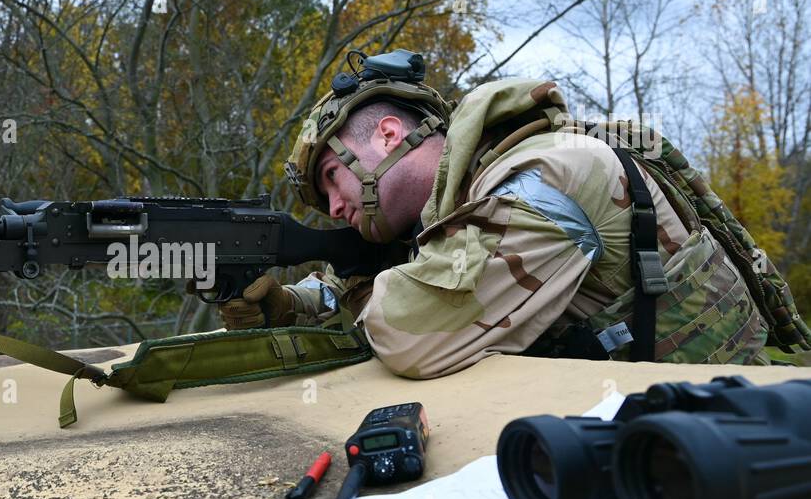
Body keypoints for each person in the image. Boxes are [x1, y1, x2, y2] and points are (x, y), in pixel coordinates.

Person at [218, 53, 770, 377]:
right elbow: (406, 265)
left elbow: (408, 334)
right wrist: (291, 304)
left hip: (740, 433)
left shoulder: (545, 172)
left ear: (388, 136)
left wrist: (358, 292)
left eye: (332, 180)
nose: (336, 209)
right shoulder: (467, 196)